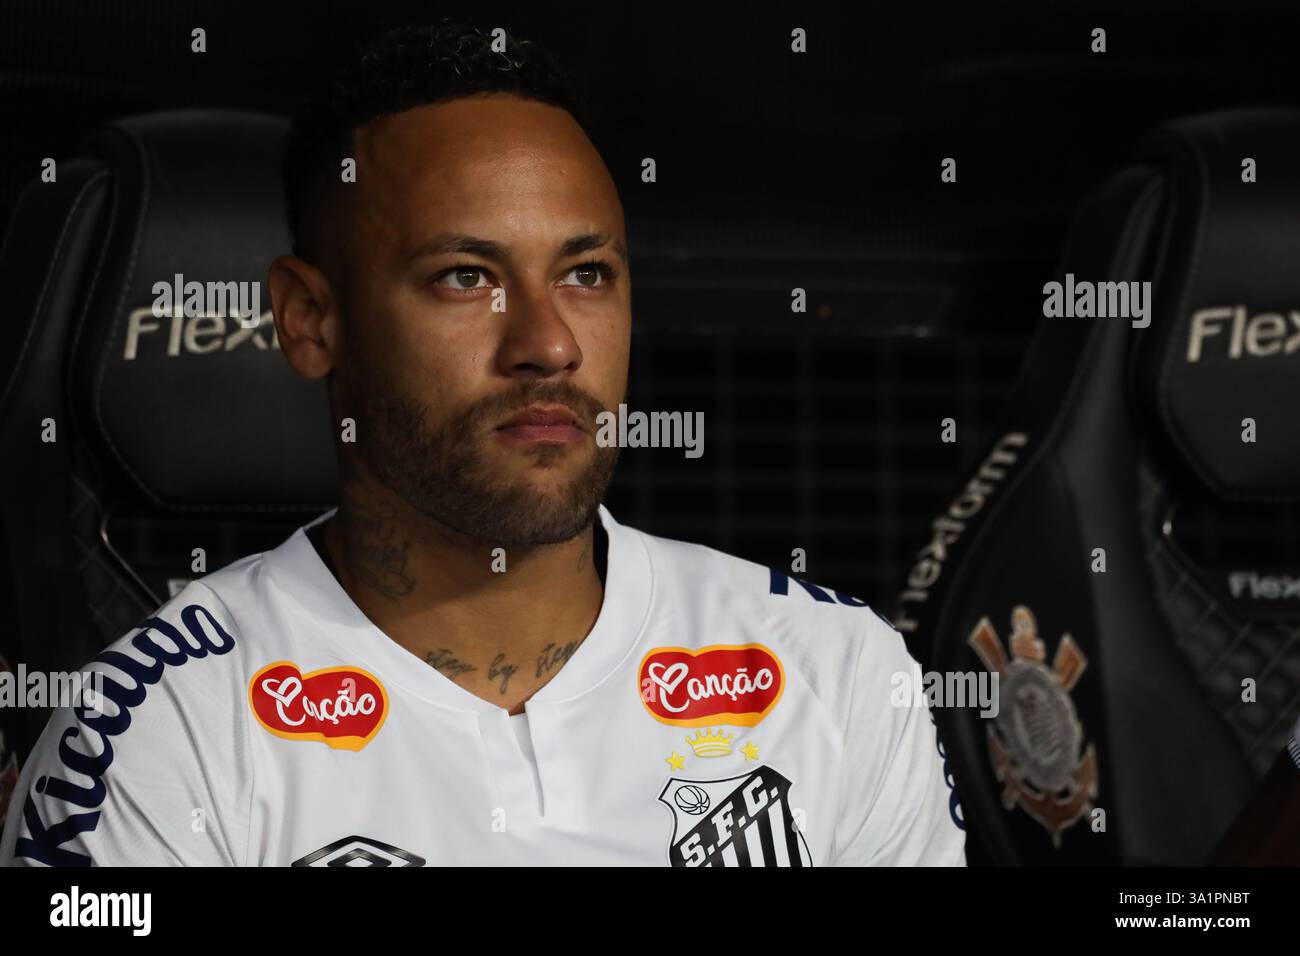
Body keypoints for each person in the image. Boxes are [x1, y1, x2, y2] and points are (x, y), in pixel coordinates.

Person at [0, 20, 964, 866]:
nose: (548, 344)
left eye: (586, 273)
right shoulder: (163, 734)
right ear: (310, 321)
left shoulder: (835, 676)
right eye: (466, 278)